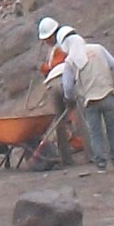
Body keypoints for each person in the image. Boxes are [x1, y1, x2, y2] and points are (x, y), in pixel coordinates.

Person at [62, 36, 114, 171]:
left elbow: (67, 87)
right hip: (108, 94)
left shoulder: (70, 61)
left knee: (96, 133)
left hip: (90, 101)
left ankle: (101, 164)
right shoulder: (98, 48)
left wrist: (69, 99)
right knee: (113, 129)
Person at [36, 17, 80, 165]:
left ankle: (82, 148)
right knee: (61, 120)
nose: (46, 42)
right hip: (57, 83)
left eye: (47, 38)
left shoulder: (63, 44)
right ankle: (68, 156)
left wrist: (47, 68)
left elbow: (63, 62)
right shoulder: (53, 48)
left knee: (75, 115)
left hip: (65, 81)